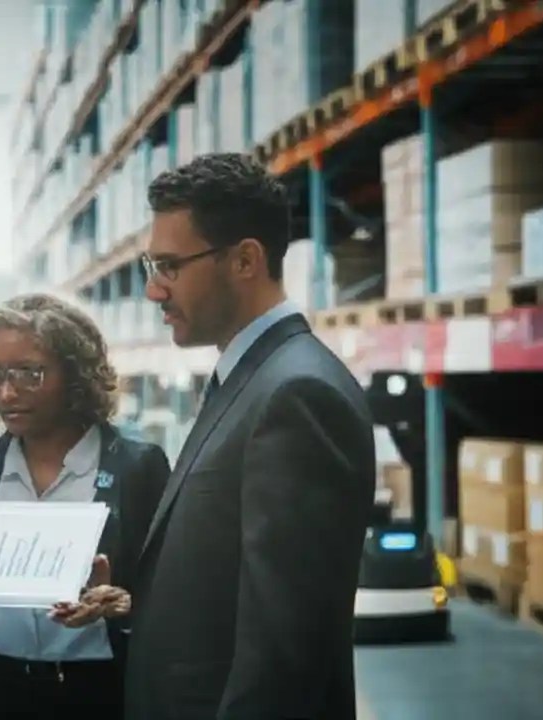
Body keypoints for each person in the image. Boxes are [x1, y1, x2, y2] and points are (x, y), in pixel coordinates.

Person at [123, 153, 375, 720]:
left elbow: (286, 653)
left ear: (244, 260)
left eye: (170, 267)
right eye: (150, 267)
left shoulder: (297, 396)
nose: (153, 292)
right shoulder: (250, 378)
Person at [0, 293, 171, 720]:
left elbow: (173, 594)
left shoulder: (136, 466)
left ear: (75, 375)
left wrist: (125, 604)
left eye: (29, 374)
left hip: (96, 690)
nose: (6, 391)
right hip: (2, 684)